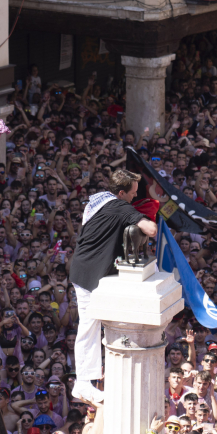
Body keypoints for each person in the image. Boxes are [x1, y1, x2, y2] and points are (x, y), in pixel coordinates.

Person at [68, 169, 157, 404]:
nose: (135, 196)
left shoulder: (100, 200)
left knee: (93, 324)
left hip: (87, 267)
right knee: (89, 327)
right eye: (133, 193)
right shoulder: (120, 206)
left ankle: (89, 379)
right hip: (89, 274)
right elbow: (151, 230)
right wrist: (142, 217)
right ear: (121, 192)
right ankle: (83, 383)